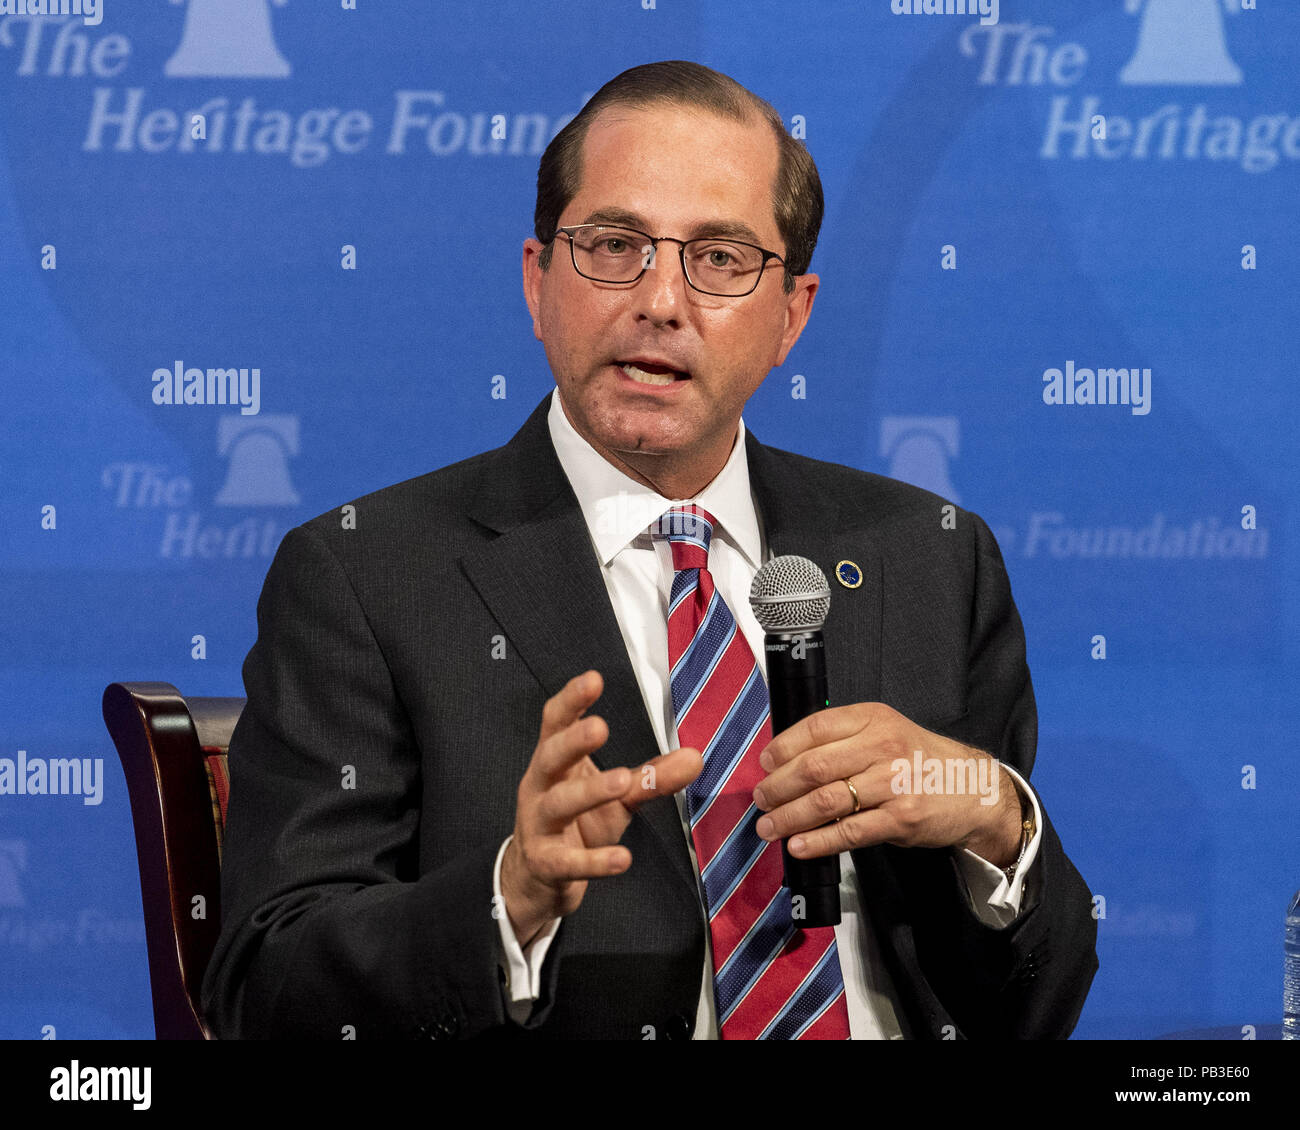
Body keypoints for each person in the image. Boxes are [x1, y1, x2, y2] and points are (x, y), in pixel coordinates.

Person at [201, 60, 1098, 1040]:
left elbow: (1032, 1008)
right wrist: (513, 895)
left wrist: (991, 820)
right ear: (538, 281)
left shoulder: (929, 557)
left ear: (790, 315)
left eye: (719, 258)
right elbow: (266, 984)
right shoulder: (367, 576)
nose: (661, 299)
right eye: (616, 245)